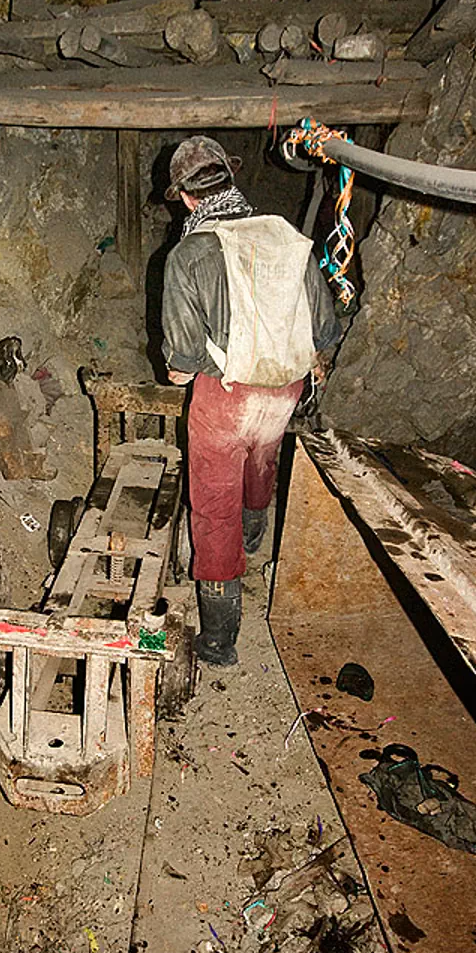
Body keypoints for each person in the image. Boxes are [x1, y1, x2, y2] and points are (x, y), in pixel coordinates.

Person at [161, 135, 341, 666]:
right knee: (263, 455)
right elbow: (323, 329)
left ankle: (219, 639)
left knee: (214, 511)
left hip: (225, 395)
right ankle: (257, 528)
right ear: (230, 182)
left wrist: (178, 368)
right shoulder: (285, 237)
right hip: (284, 389)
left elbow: (182, 363)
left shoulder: (188, 255)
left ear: (188, 198)